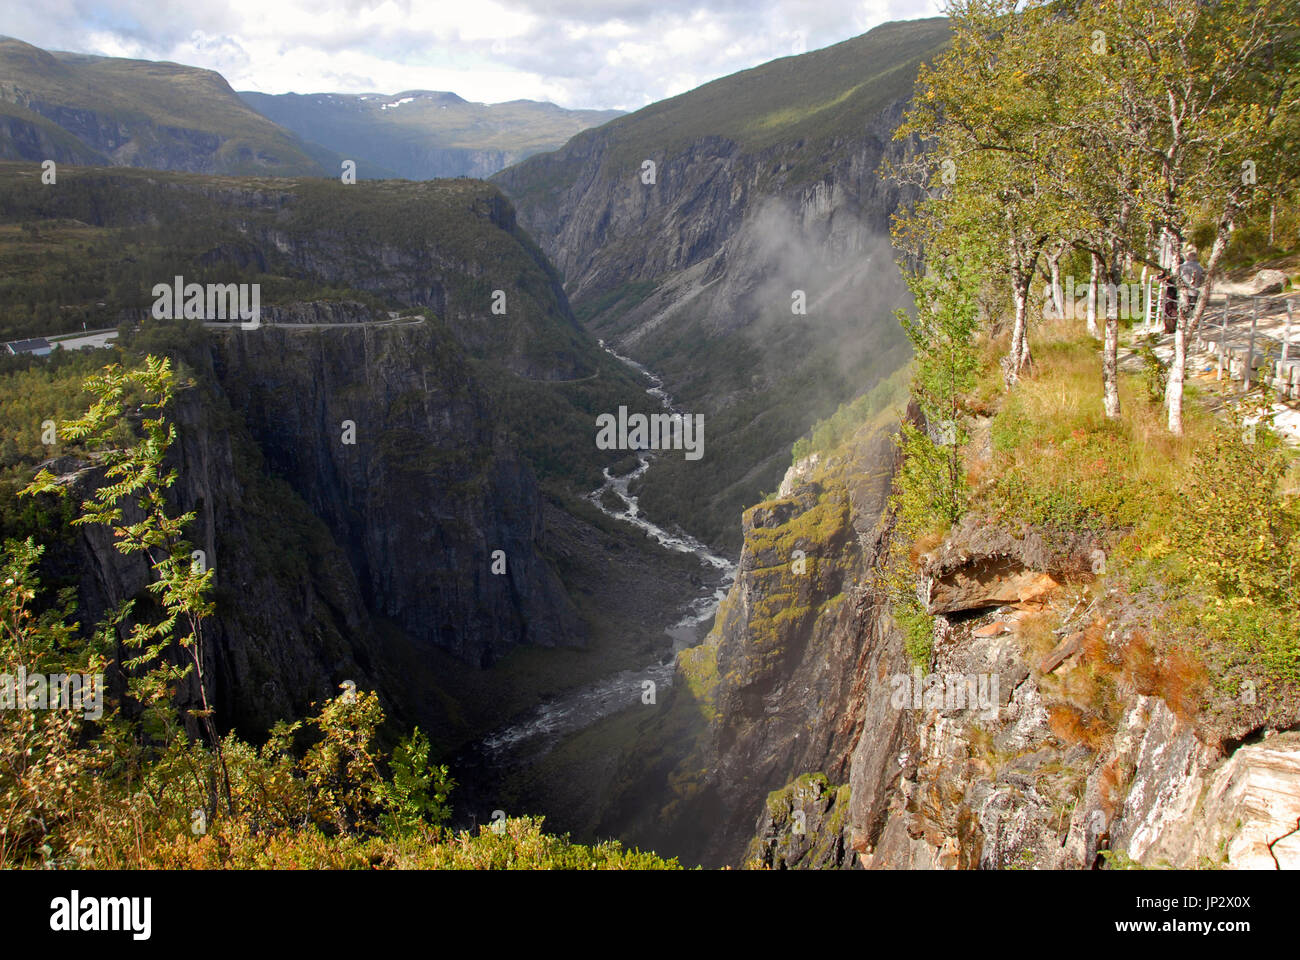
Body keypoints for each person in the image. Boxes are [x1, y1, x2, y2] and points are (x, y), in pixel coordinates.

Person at [1179, 247, 1206, 321]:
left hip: (1183, 291)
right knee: (1194, 307)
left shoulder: (1181, 267)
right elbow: (1203, 278)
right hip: (1195, 290)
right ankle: (1192, 322)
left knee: (1184, 307)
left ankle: (1184, 322)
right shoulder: (1199, 267)